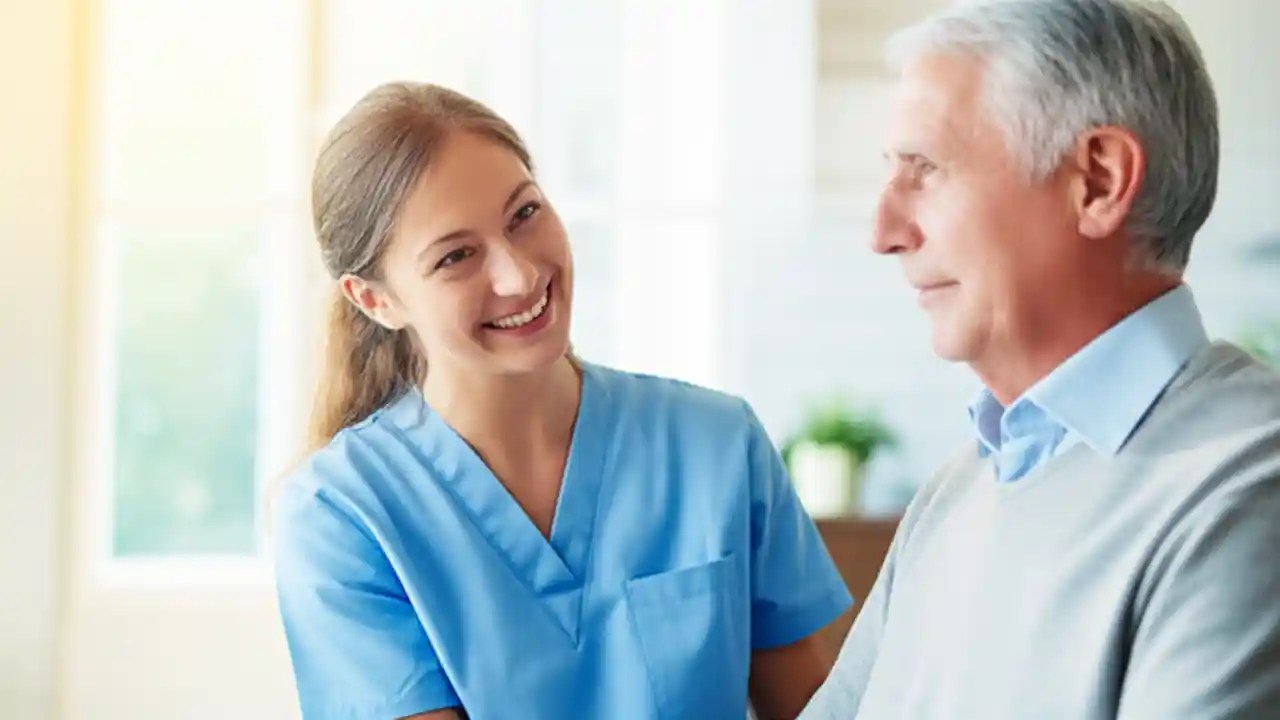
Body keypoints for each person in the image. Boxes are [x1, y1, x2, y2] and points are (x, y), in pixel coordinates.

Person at [271, 81, 852, 720]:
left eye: (524, 214)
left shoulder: (719, 445)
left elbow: (810, 709)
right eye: (456, 256)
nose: (518, 275)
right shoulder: (342, 515)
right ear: (376, 300)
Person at [801, 1, 1280, 718]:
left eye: (925, 168)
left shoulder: (1244, 487)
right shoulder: (955, 493)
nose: (884, 231)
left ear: (1099, 180)